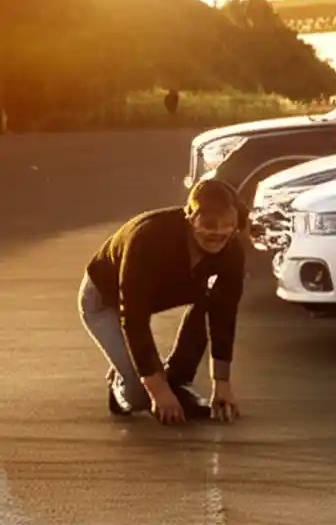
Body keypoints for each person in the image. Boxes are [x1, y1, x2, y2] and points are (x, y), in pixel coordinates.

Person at [80, 179, 247, 424]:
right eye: (209, 225)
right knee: (140, 397)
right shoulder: (147, 239)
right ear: (189, 218)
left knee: (211, 298)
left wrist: (222, 384)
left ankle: (177, 380)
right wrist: (157, 391)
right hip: (106, 298)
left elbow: (225, 311)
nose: (218, 233)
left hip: (164, 290)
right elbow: (134, 319)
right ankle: (121, 381)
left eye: (228, 225)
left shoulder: (231, 247)